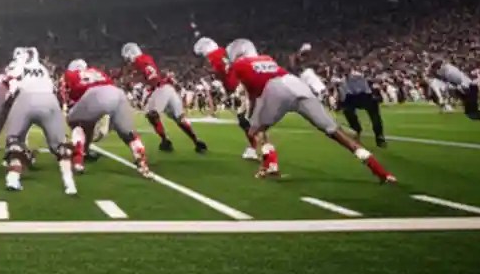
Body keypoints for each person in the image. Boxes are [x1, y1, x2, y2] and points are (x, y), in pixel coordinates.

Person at [194, 36, 394, 183]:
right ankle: (380, 170)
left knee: (256, 130)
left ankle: (270, 164)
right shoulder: (266, 58)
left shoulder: (238, 65)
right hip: (295, 84)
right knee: (335, 131)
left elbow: (249, 94)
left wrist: (251, 115)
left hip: (275, 91)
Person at [0, 48, 77, 195]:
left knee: (15, 143)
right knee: (61, 146)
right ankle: (69, 184)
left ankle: (12, 179)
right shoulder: (42, 68)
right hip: (49, 99)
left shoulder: (15, 66)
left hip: (25, 99)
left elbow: (10, 89)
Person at [61, 59, 151, 178]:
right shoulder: (96, 71)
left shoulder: (70, 75)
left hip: (93, 95)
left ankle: (78, 161)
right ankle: (142, 162)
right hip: (117, 93)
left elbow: (71, 98)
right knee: (128, 133)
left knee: (75, 122)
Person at [122, 43, 207, 153]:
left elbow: (151, 77)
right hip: (167, 89)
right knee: (179, 119)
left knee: (152, 115)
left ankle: (165, 141)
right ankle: (197, 141)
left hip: (160, 89)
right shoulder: (145, 59)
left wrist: (150, 87)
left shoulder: (139, 61)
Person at [339, 69, 386, 147]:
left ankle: (379, 136)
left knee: (375, 115)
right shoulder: (343, 80)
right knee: (347, 111)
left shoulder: (357, 76)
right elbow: (344, 95)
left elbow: (365, 86)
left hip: (364, 95)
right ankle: (356, 129)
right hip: (352, 97)